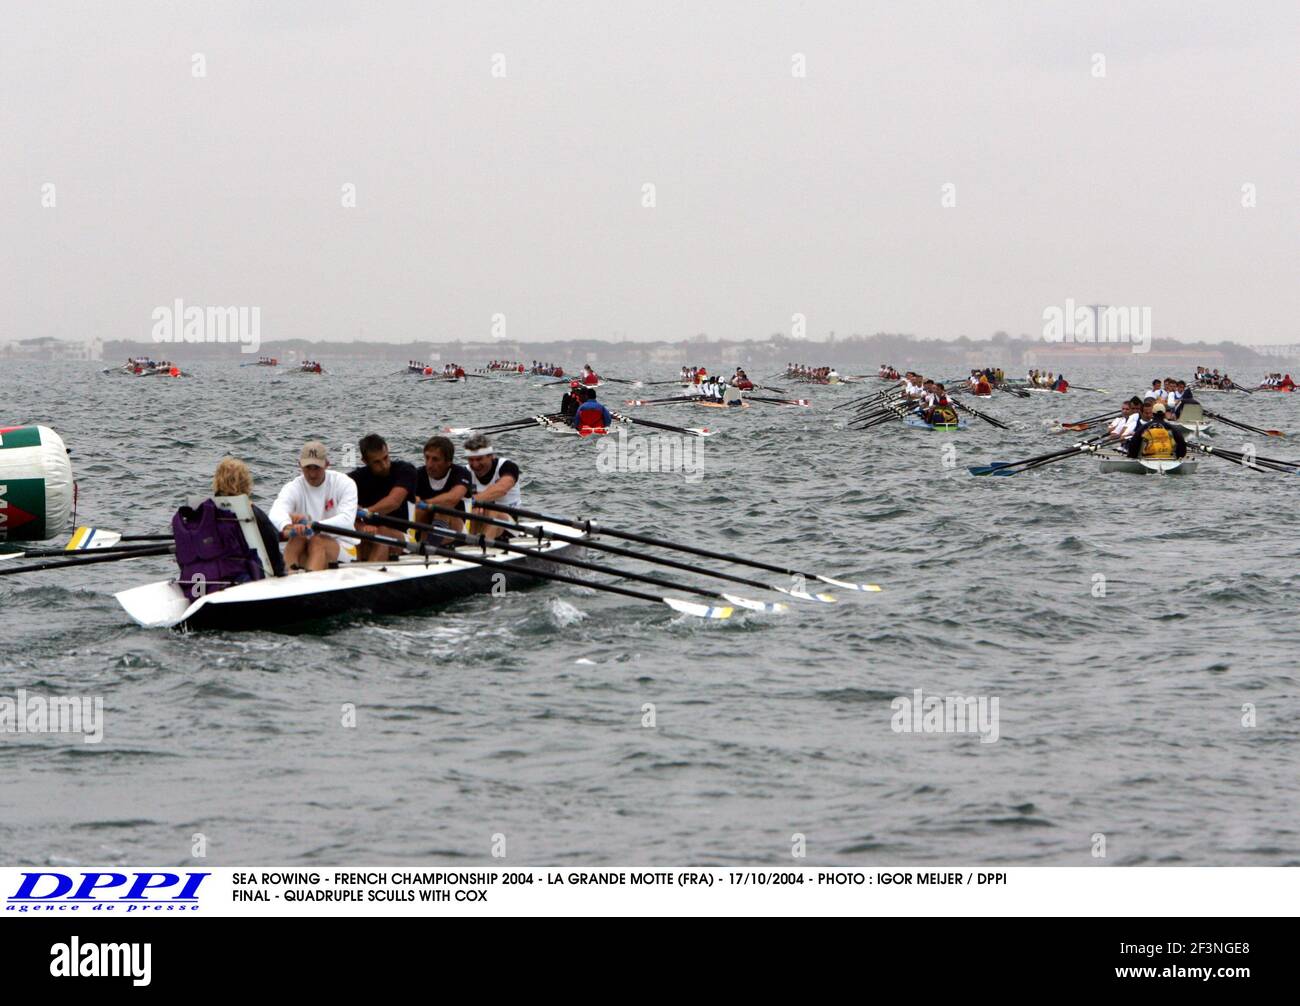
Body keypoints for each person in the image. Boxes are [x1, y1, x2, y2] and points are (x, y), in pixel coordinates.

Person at [269, 441, 359, 571]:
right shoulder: (292, 487)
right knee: (297, 539)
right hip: (307, 542)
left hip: (344, 546)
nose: (312, 474)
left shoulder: (344, 483)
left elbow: (346, 520)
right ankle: (288, 579)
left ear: (327, 464)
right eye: (308, 467)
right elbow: (276, 512)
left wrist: (312, 525)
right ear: (299, 465)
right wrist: (287, 525)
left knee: (317, 541)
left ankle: (308, 585)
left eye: (316, 468)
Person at [209, 457, 285, 577]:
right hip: (252, 576)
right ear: (246, 483)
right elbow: (274, 558)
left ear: (217, 482)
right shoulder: (256, 516)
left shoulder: (206, 513)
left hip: (216, 575)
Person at [348, 434, 418, 562]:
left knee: (381, 533)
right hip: (368, 533)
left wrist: (366, 513)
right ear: (365, 461)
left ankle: (369, 576)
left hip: (403, 536)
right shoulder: (354, 479)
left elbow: (393, 502)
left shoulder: (405, 470)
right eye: (377, 462)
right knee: (361, 533)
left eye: (386, 458)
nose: (385, 465)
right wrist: (361, 524)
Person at [412, 435, 473, 540]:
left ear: (448, 462)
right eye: (427, 458)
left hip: (458, 534)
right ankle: (423, 545)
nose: (429, 464)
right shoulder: (418, 474)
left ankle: (430, 546)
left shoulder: (461, 473)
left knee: (443, 509)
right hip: (425, 531)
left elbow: (453, 498)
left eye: (435, 459)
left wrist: (424, 503)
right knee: (419, 511)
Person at [463, 434, 520, 541]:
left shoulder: (506, 466)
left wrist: (473, 501)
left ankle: (482, 546)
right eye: (471, 460)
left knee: (493, 511)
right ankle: (469, 545)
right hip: (478, 521)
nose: (475, 465)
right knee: (473, 512)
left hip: (508, 526)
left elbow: (501, 489)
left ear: (490, 456)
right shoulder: (465, 472)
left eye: (479, 459)